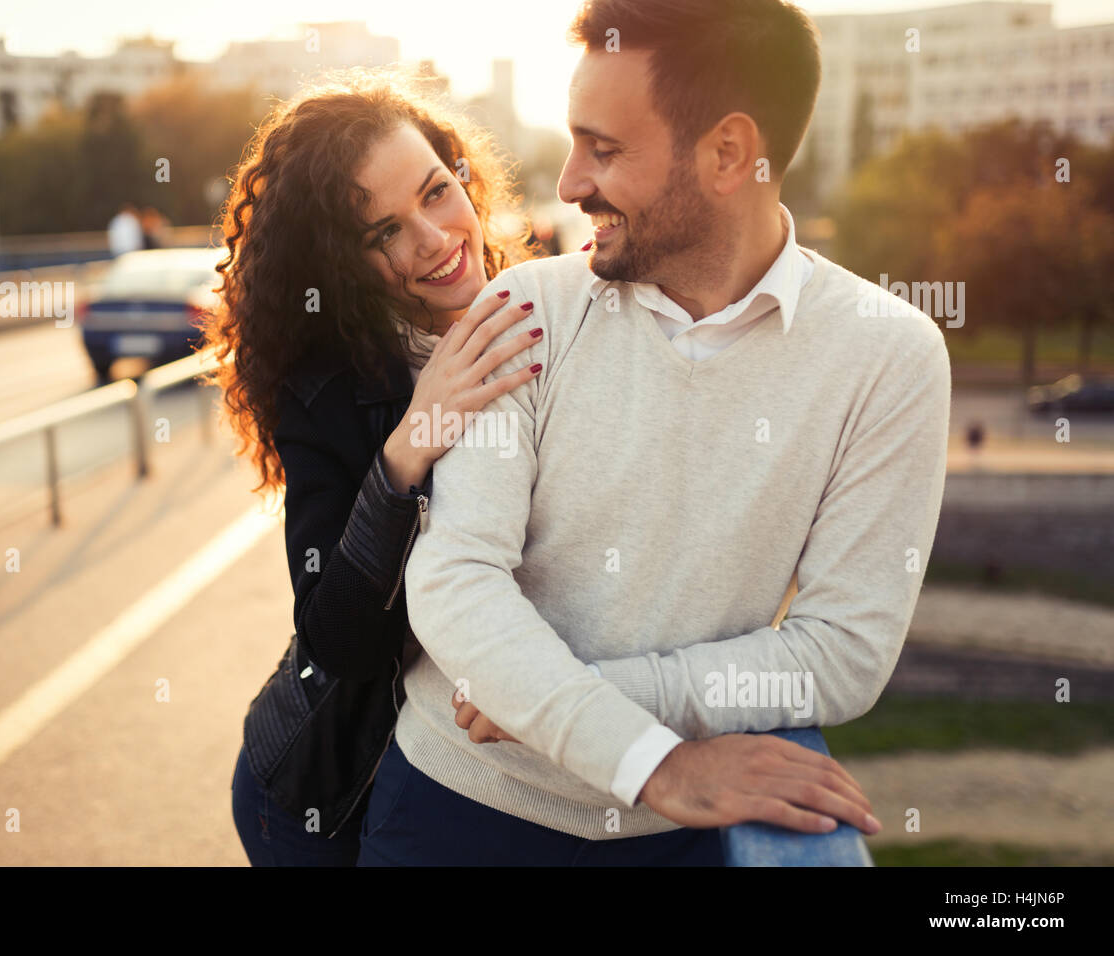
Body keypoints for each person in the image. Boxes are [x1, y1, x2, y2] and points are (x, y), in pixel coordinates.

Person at [360, 0, 949, 866]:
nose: (566, 184)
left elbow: (841, 653)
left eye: (603, 149)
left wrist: (586, 705)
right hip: (457, 808)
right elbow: (455, 580)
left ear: (727, 154)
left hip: (670, 840)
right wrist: (654, 760)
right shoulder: (524, 311)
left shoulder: (891, 356)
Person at [198, 69, 539, 866]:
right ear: (341, 264)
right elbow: (335, 638)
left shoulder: (536, 307)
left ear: (462, 176)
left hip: (466, 783)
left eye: (435, 192)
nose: (432, 239)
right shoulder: (329, 389)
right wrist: (407, 448)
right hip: (319, 792)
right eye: (382, 232)